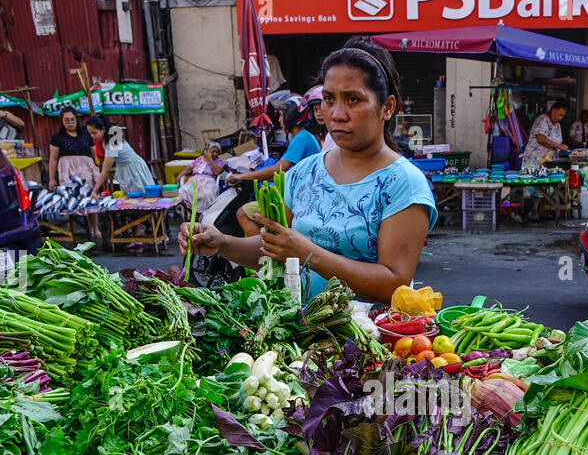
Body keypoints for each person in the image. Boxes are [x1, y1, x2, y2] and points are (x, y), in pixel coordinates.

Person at [180, 41, 436, 303]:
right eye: (329, 99)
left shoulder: (403, 183)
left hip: (368, 337)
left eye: (353, 99)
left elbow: (394, 285)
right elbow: (273, 248)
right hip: (299, 332)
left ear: (388, 107)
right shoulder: (305, 173)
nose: (337, 114)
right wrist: (222, 242)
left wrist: (309, 254)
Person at [226, 96, 320, 187]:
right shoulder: (303, 136)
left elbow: (277, 170)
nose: (279, 120)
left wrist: (241, 177)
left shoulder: (301, 139)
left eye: (281, 115)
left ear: (290, 117)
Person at [48, 106, 101, 238]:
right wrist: (51, 179)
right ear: (62, 121)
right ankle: (72, 230)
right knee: (70, 198)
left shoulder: (86, 133)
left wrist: (99, 167)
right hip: (67, 170)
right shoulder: (57, 137)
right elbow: (53, 159)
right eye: (67, 120)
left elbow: (95, 151)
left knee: (90, 197)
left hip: (86, 168)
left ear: (77, 119)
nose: (70, 122)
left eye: (72, 119)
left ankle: (95, 228)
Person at [87, 116, 155, 197]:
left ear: (103, 129)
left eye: (94, 133)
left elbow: (105, 171)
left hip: (132, 169)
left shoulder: (112, 143)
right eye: (90, 133)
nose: (92, 136)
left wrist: (94, 190)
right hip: (125, 169)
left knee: (140, 197)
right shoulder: (108, 139)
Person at [520, 99, 569, 171]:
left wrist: (562, 147)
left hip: (548, 164)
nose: (560, 118)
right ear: (553, 110)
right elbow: (541, 139)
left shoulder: (557, 125)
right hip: (534, 163)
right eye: (559, 115)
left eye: (562, 116)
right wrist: (559, 146)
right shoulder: (542, 120)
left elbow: (555, 143)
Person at [178, 143, 226, 214]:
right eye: (213, 152)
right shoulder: (199, 159)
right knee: (182, 192)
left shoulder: (219, 162)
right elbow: (189, 168)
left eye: (217, 152)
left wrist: (210, 159)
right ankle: (191, 213)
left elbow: (217, 172)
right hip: (195, 180)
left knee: (207, 194)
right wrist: (180, 175)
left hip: (208, 181)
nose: (215, 154)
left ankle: (204, 214)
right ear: (207, 151)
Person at [306, 83, 336, 153]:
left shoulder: (332, 136)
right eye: (315, 110)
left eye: (321, 109)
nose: (318, 114)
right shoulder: (325, 134)